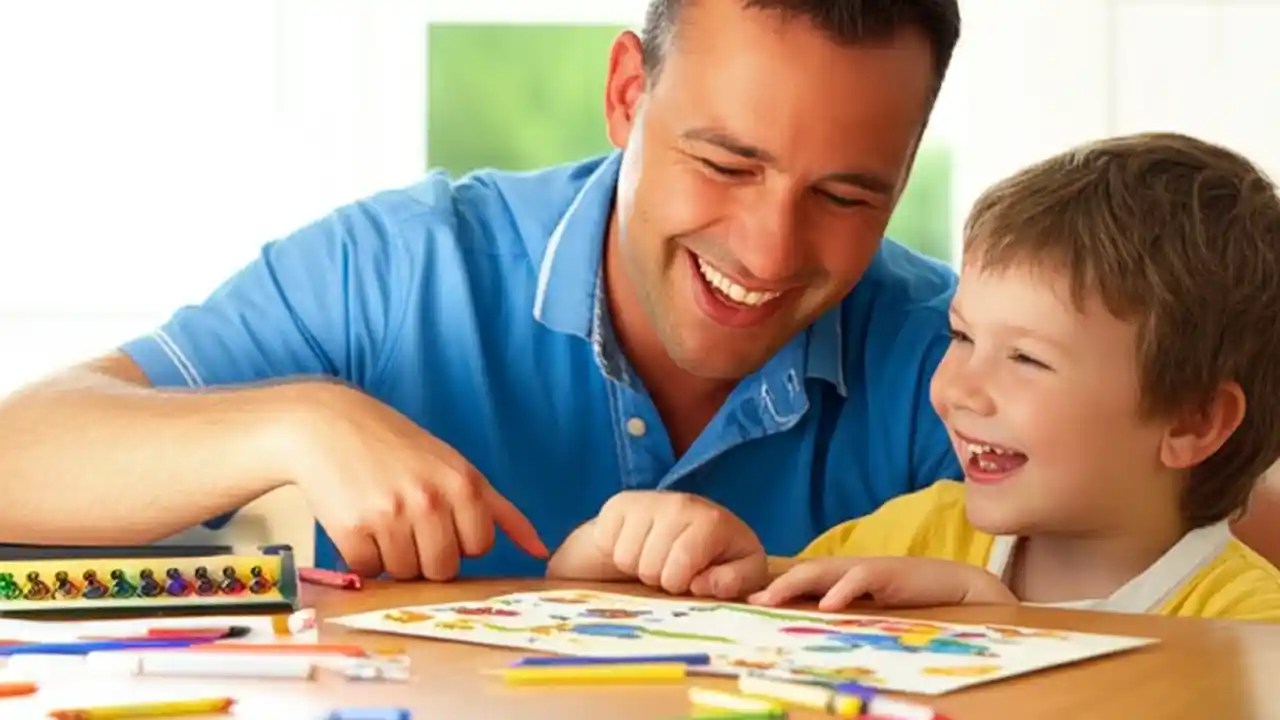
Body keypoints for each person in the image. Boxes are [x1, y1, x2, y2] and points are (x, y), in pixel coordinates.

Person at [0, 0, 964, 581]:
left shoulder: (957, 357)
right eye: (723, 163)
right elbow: (16, 458)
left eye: (845, 194)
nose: (767, 251)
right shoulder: (399, 269)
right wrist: (296, 421)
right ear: (628, 94)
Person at [549, 132, 1280, 621]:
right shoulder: (918, 530)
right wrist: (617, 551)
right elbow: (730, 625)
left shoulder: (1250, 628)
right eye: (960, 336)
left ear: (1191, 421)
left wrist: (998, 626)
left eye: (1025, 358)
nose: (956, 388)